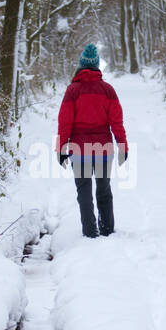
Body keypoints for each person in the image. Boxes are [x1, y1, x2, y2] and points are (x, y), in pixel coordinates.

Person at [56, 44, 128, 238]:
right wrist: (122, 146)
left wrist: (61, 148)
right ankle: (107, 230)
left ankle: (90, 232)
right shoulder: (107, 90)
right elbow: (117, 122)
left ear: (81, 65)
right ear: (97, 66)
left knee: (84, 192)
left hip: (79, 150)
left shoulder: (73, 91)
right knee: (104, 190)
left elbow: (65, 122)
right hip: (103, 150)